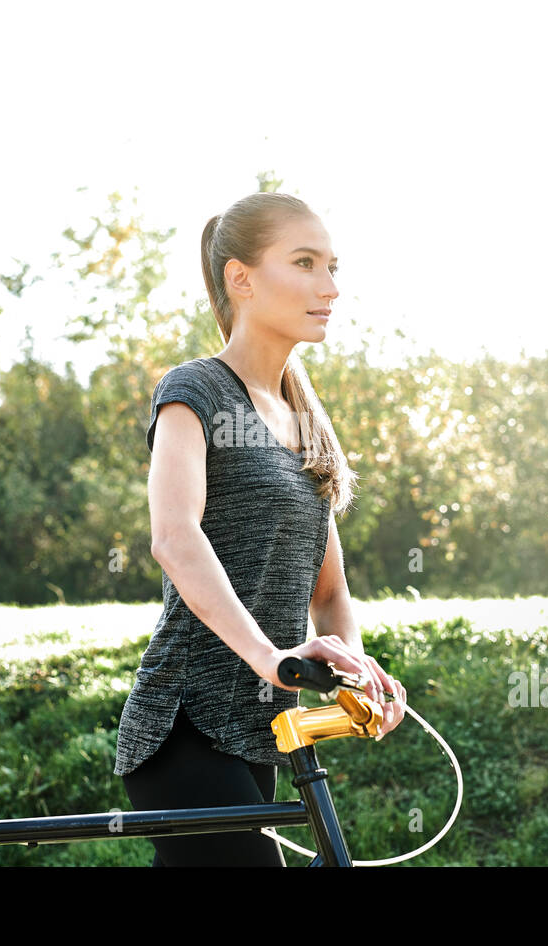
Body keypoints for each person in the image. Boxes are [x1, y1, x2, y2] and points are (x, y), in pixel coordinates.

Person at [112, 192, 407, 866]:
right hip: (183, 725)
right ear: (241, 278)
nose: (329, 287)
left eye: (333, 266)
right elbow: (175, 538)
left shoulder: (306, 417)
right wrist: (268, 657)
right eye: (304, 263)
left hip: (260, 732)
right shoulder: (195, 391)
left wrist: (356, 669)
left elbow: (328, 593)